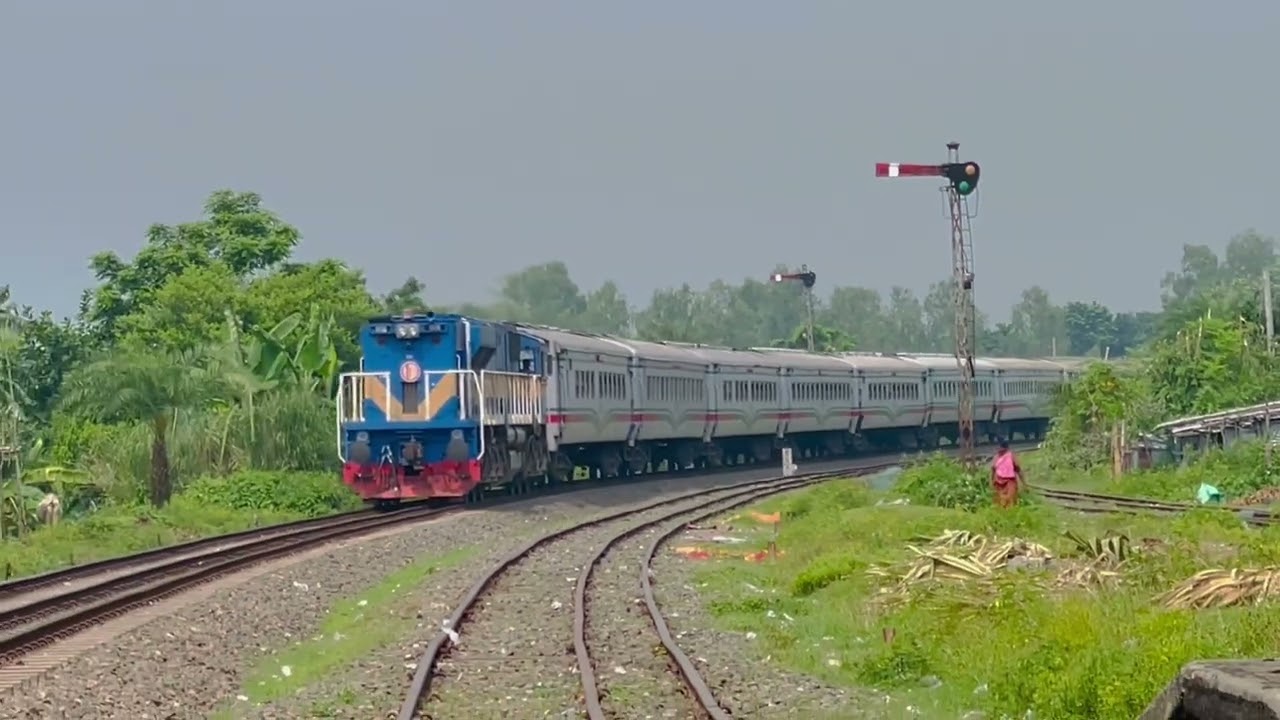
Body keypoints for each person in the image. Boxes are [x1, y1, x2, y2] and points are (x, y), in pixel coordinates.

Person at [991, 438, 1022, 508]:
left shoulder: (1004, 456)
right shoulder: (1008, 456)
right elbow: (1018, 468)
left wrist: (1024, 483)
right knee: (1005, 501)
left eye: (999, 447)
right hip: (1002, 482)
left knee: (1005, 501)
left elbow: (1018, 468)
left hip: (1006, 482)